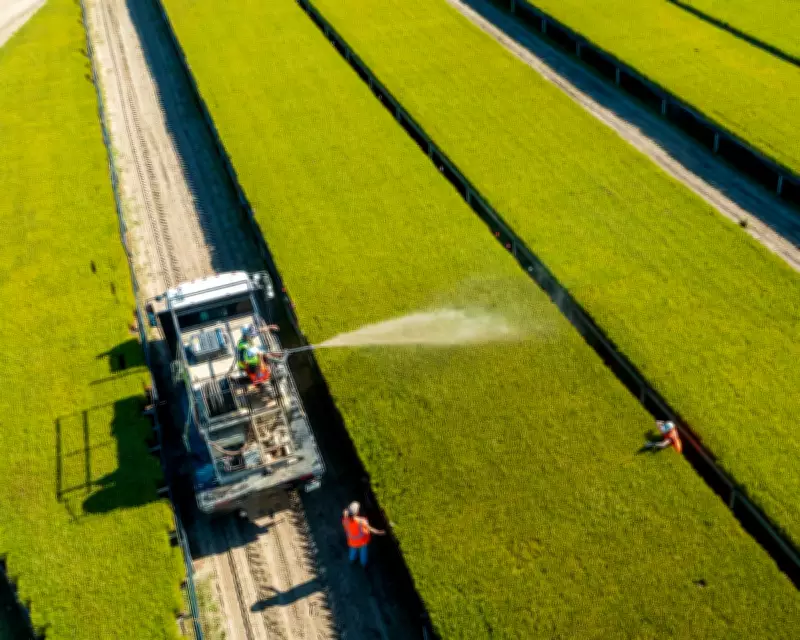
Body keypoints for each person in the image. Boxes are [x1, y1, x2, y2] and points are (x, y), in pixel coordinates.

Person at [342, 501, 385, 568]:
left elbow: (345, 513)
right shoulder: (361, 521)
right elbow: (370, 529)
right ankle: (364, 564)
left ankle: (352, 560)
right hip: (362, 542)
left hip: (352, 542)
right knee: (363, 555)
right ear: (357, 512)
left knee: (352, 552)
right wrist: (379, 532)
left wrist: (346, 512)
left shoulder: (345, 520)